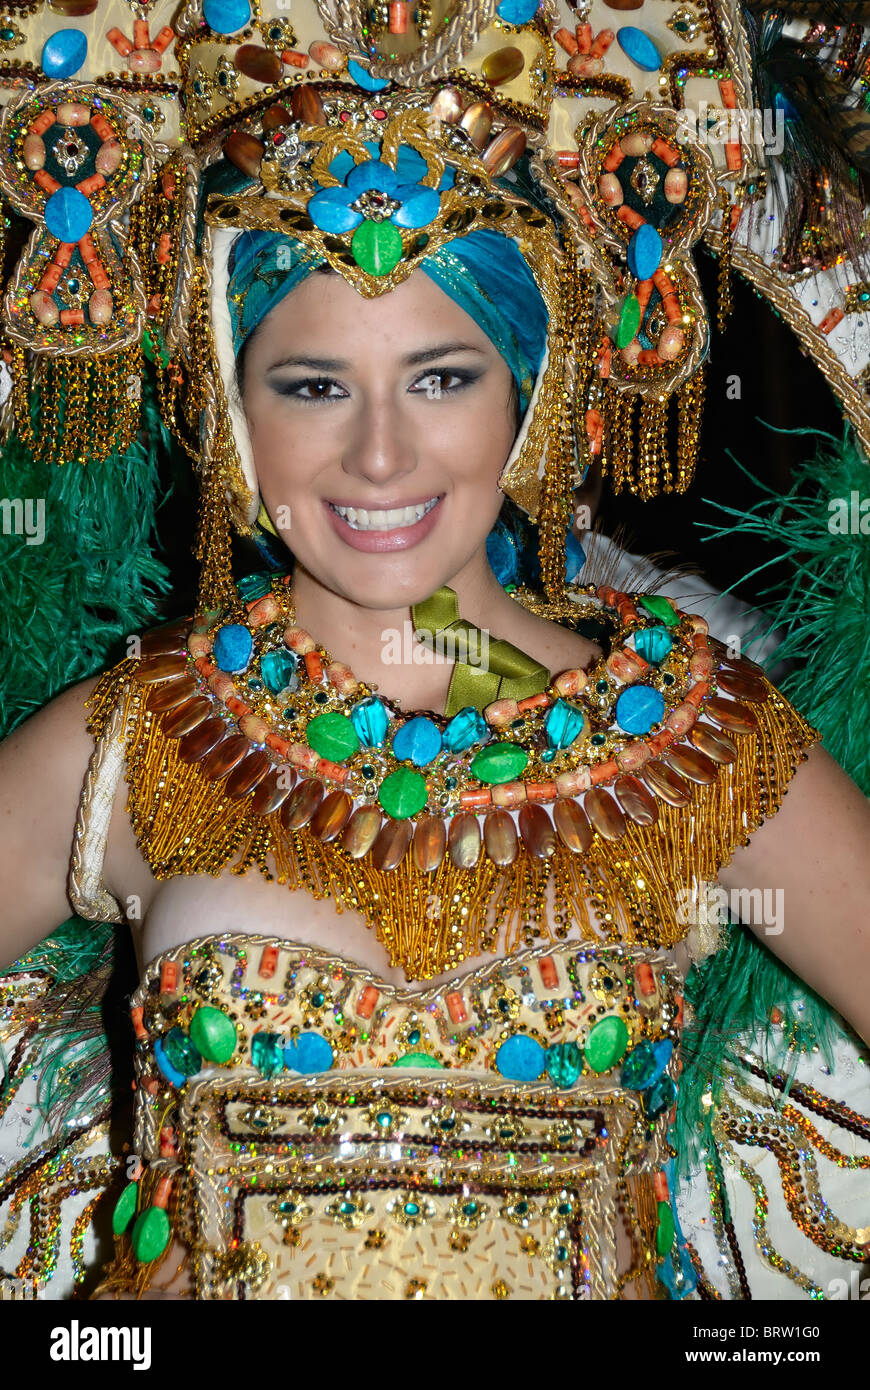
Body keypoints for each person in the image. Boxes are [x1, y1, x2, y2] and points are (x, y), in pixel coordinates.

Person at [1, 4, 869, 1303]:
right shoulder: (132, 736)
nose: (379, 455)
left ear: (530, 381)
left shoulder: (691, 737)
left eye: (440, 376)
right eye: (312, 385)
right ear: (229, 409)